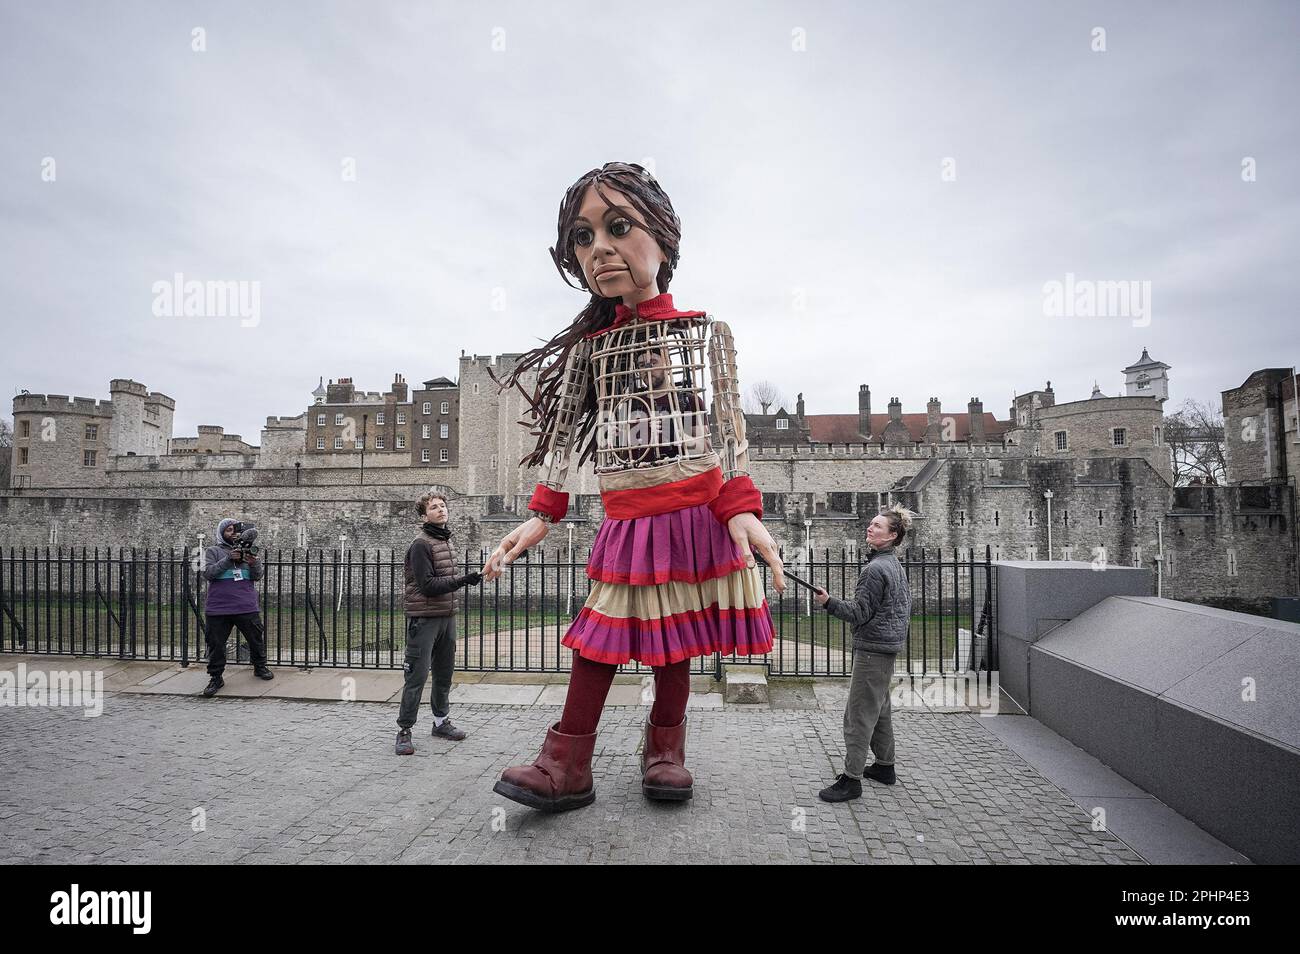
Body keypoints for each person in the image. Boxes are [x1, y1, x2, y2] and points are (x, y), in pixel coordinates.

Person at [482, 161, 786, 812]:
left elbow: (729, 431)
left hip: (694, 511)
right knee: (598, 641)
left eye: (617, 227)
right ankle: (567, 763)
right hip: (628, 516)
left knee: (672, 641)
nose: (599, 251)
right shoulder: (594, 350)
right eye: (584, 239)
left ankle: (665, 753)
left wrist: (741, 509)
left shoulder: (706, 334)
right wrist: (543, 513)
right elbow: (564, 438)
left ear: (662, 239)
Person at [813, 504, 915, 801]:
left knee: (858, 715)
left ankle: (851, 780)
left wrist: (829, 602)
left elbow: (859, 613)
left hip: (873, 650)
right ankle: (885, 767)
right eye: (871, 524)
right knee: (879, 709)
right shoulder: (893, 564)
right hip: (886, 647)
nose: (870, 528)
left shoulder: (875, 569)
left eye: (877, 526)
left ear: (892, 535)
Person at [395, 492, 482, 755]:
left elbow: (446, 581)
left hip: (446, 616)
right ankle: (404, 730)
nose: (441, 510)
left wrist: (465, 579)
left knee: (444, 674)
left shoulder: (445, 541)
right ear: (424, 516)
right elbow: (428, 585)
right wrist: (463, 580)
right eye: (434, 507)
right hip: (424, 619)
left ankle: (440, 722)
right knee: (416, 676)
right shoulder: (421, 544)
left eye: (443, 506)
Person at [201, 517, 274, 697]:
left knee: (256, 639)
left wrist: (253, 562)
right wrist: (228, 558)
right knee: (216, 644)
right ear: (221, 533)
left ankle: (260, 667)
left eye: (235, 530)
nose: (233, 534)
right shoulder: (212, 551)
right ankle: (216, 677)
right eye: (229, 530)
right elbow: (208, 573)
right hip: (219, 607)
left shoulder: (248, 551)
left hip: (245, 604)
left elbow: (257, 576)